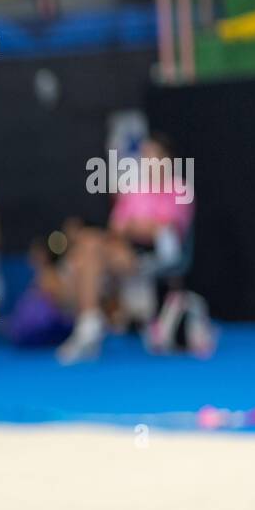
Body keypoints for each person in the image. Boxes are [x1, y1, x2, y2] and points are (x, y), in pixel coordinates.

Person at [57, 133, 194, 364]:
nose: (146, 159)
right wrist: (140, 226)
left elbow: (167, 232)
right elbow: (116, 228)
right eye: (144, 154)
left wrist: (137, 226)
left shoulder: (179, 188)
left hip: (156, 255)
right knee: (89, 246)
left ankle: (89, 322)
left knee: (87, 252)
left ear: (167, 159)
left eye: (152, 154)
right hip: (124, 250)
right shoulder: (134, 189)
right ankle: (89, 321)